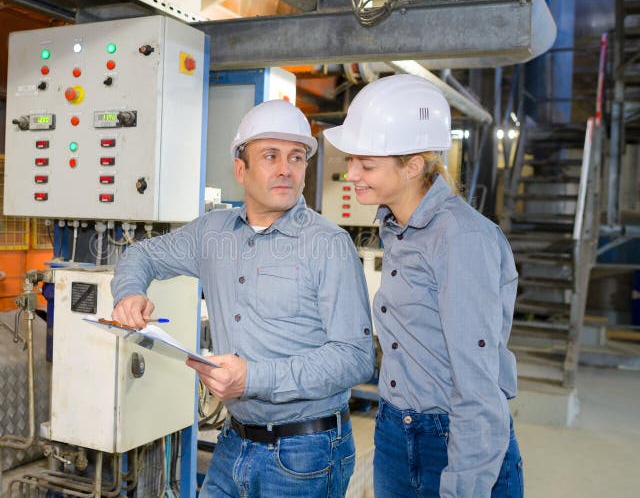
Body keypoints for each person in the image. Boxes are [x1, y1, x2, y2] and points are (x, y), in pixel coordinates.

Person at [110, 99, 376, 497]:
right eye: (270, 156)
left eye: (297, 157)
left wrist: (252, 377)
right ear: (241, 168)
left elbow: (355, 358)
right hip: (234, 441)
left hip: (307, 451)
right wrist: (130, 293)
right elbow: (140, 254)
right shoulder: (213, 233)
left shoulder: (329, 245)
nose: (286, 168)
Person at [323, 74, 523, 498]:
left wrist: (464, 486)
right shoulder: (398, 228)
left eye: (367, 164)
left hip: (452, 442)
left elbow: (477, 386)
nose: (351, 174)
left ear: (413, 165)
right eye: (353, 160)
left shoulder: (461, 240)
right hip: (396, 432)